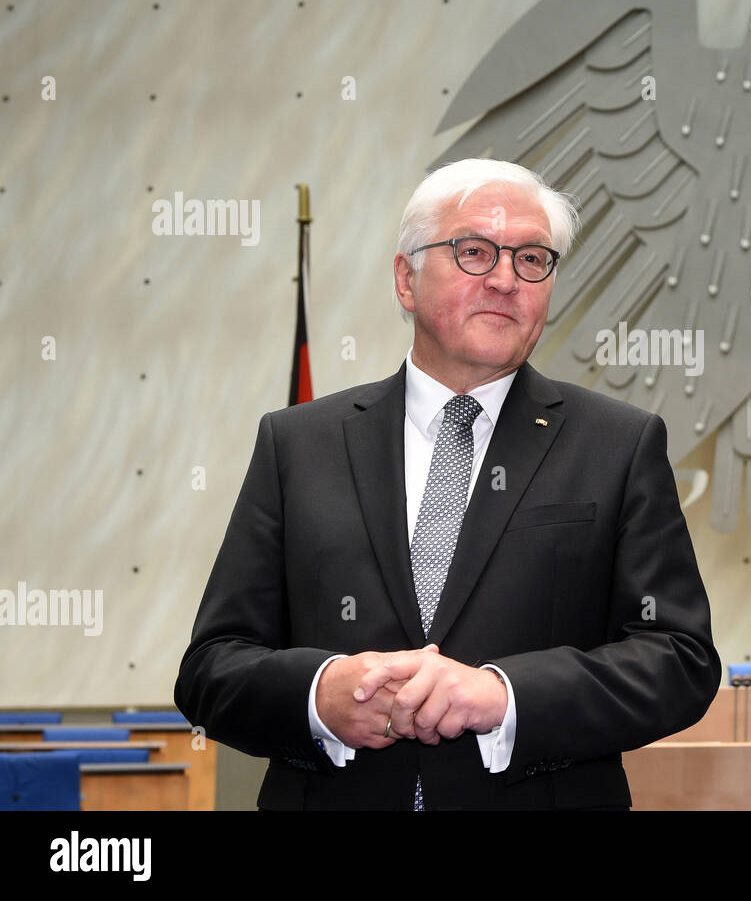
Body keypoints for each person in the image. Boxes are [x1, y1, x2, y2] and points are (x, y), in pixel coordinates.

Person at [175, 158, 722, 809]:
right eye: (474, 251)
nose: (504, 279)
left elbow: (680, 657)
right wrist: (318, 694)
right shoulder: (298, 444)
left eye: (531, 259)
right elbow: (211, 668)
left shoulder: (619, 444)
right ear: (406, 279)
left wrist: (504, 696)